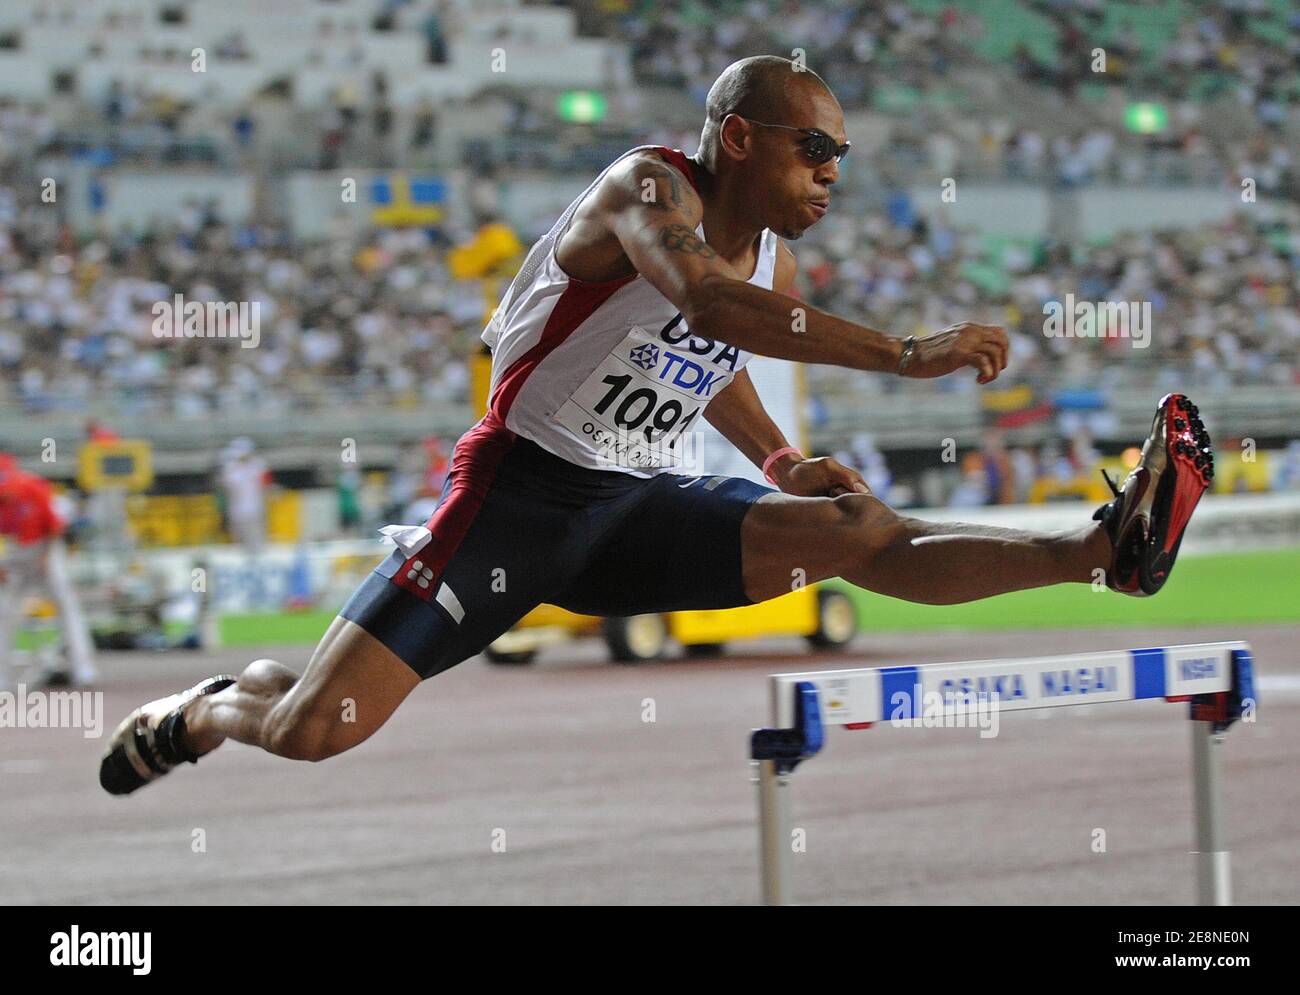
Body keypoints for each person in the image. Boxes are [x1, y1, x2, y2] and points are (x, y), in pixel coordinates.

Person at [99, 56, 1215, 795]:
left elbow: (711, 357)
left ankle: (1100, 552)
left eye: (841, 158)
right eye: (810, 149)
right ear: (735, 139)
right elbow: (707, 306)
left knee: (853, 529)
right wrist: (909, 351)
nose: (831, 172)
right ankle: (206, 710)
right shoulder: (647, 189)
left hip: (639, 501)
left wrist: (776, 456)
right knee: (315, 727)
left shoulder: (771, 254)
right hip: (518, 499)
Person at [0, 454, 98, 690]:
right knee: (4, 612)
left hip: (47, 546)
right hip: (16, 550)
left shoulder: (33, 487)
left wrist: (45, 559)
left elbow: (55, 526)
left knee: (65, 604)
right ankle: (3, 677)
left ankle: (83, 667)